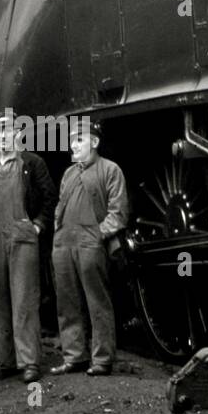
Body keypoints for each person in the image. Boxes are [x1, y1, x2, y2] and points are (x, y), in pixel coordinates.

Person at [0, 112, 57, 383]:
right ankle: (4, 362)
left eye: (9, 131)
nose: (4, 137)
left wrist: (38, 226)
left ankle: (30, 363)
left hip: (22, 238)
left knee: (24, 300)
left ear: (18, 135)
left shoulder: (33, 163)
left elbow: (49, 197)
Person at [50, 120, 128, 376]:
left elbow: (118, 213)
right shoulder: (69, 174)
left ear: (94, 142)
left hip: (90, 243)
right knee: (67, 302)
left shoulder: (110, 170)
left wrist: (98, 236)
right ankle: (74, 357)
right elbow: (60, 208)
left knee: (97, 302)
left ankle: (102, 359)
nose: (74, 145)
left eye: (79, 140)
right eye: (72, 141)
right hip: (64, 243)